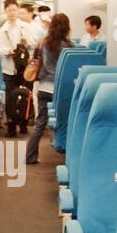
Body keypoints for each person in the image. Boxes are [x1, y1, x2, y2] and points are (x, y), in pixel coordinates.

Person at [25, 12, 72, 164]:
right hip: (61, 90)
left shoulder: (42, 43)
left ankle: (30, 157)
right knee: (68, 122)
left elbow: (35, 60)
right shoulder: (69, 47)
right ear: (67, 28)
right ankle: (69, 157)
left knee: (40, 123)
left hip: (44, 87)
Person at [0, 1, 31, 138]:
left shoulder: (26, 27)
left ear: (17, 11)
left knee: (24, 95)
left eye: (14, 10)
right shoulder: (1, 31)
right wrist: (9, 51)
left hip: (24, 68)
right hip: (8, 69)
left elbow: (34, 43)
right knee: (10, 98)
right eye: (9, 10)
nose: (12, 13)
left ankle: (23, 124)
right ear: (5, 11)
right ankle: (11, 128)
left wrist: (27, 43)